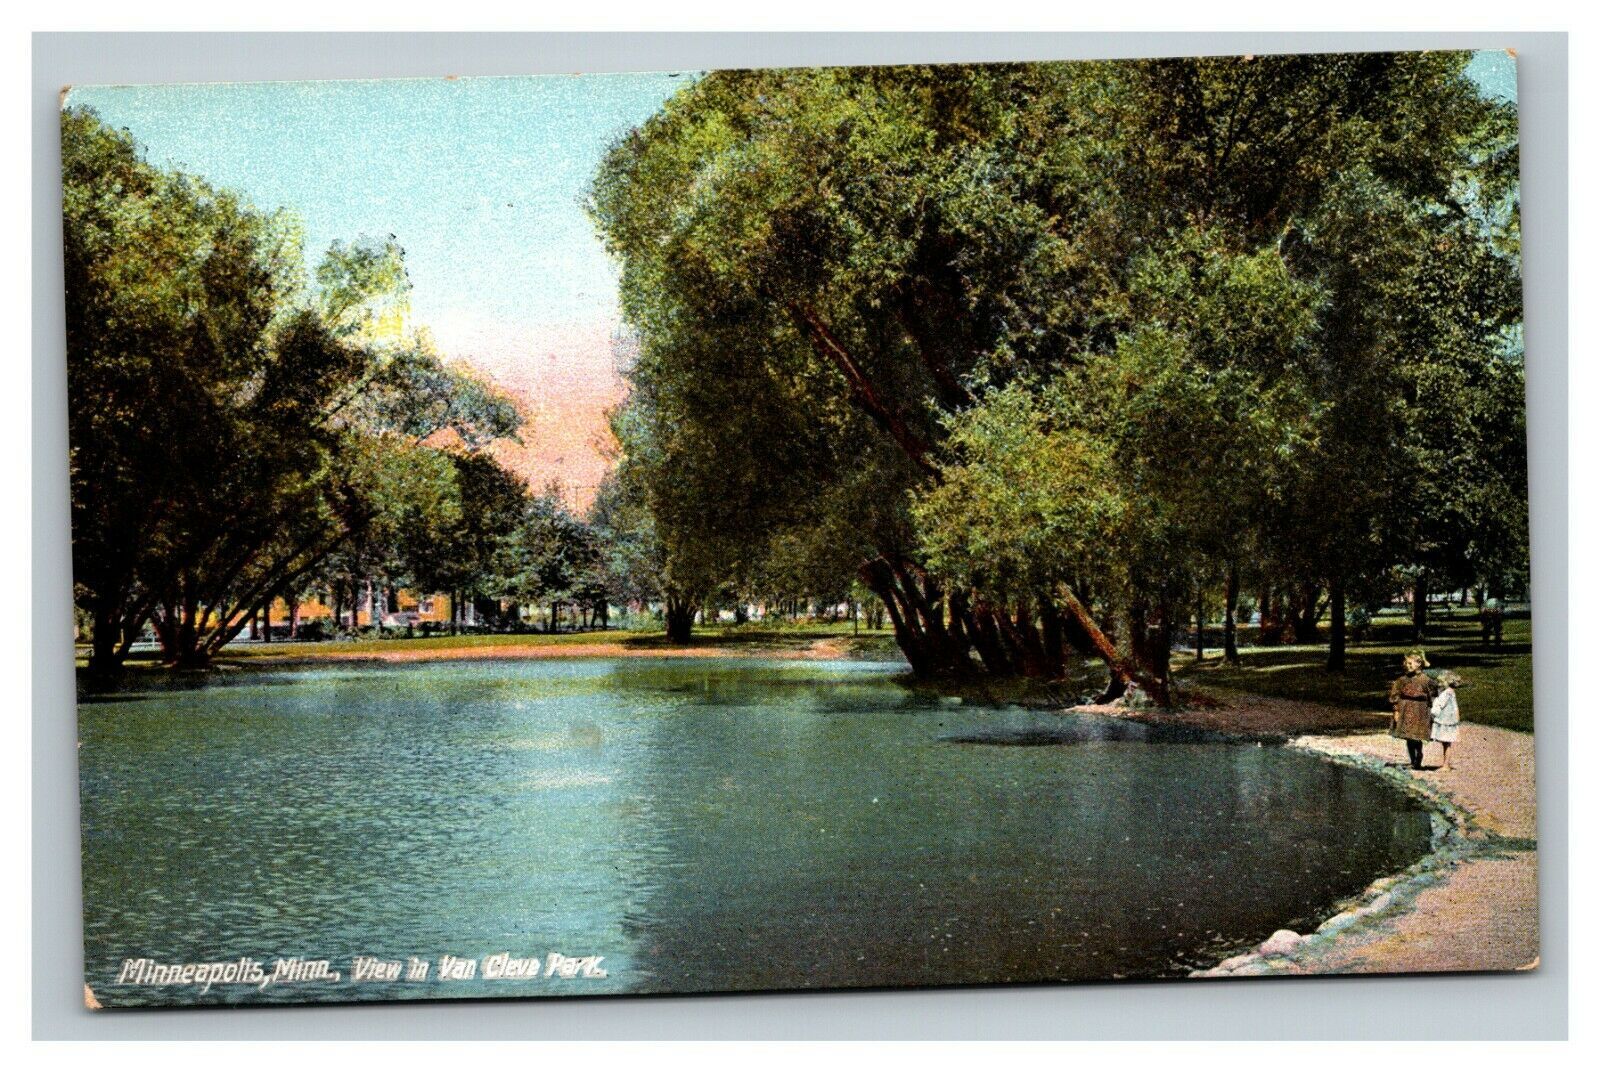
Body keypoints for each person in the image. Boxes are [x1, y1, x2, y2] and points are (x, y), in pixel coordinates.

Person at [1387, 649, 1438, 770]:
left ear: (1419, 664)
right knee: (1408, 737)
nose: (1407, 666)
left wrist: (1433, 711)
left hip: (1420, 711)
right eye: (1406, 663)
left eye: (1411, 664)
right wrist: (1396, 711)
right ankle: (1412, 760)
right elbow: (1395, 696)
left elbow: (1434, 695)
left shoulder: (1426, 680)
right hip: (1406, 710)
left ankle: (1418, 757)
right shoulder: (1402, 680)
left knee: (1416, 736)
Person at [1431, 670, 1463, 769]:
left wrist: (1434, 702)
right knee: (1446, 743)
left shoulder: (1447, 692)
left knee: (1446, 743)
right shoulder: (1449, 692)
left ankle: (1446, 765)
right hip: (1447, 719)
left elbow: (1440, 703)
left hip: (1446, 720)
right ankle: (1445, 763)